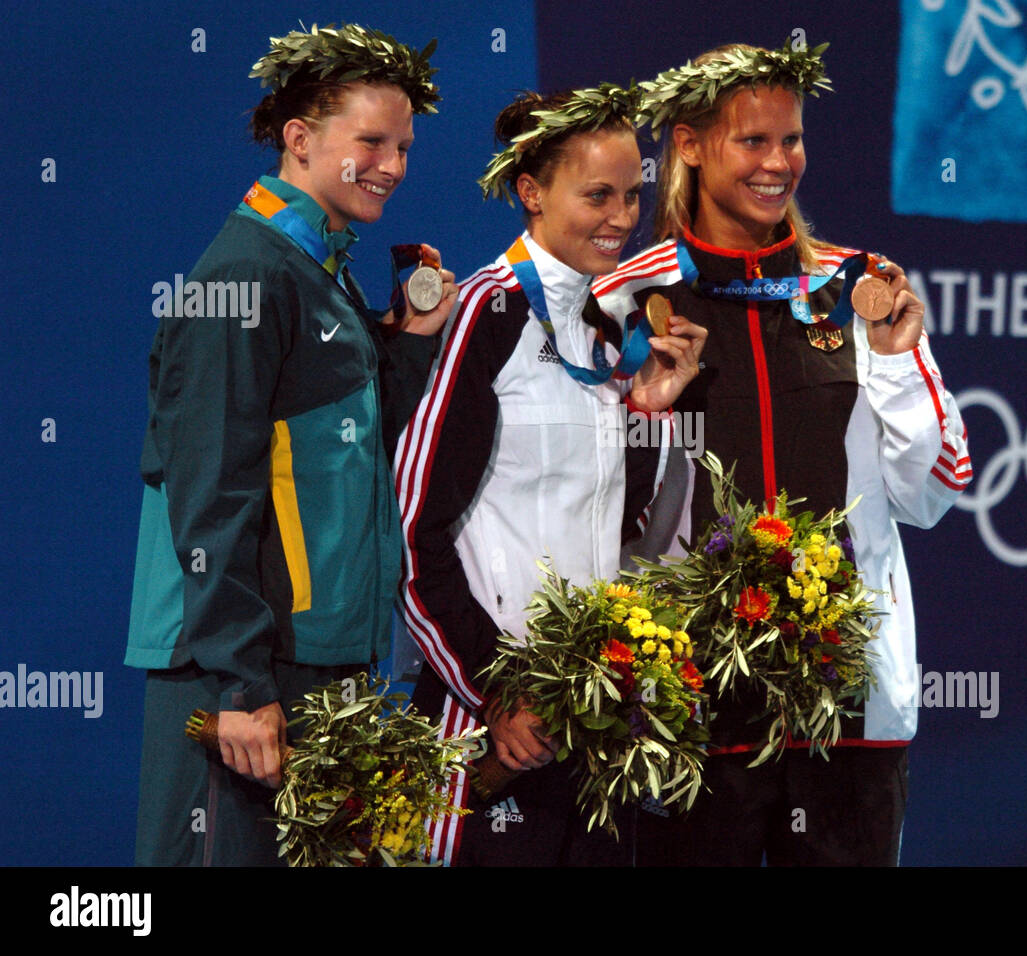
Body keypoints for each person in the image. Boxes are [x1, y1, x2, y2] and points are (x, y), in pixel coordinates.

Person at [594, 42, 972, 866]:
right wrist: (644, 408)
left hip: (852, 705)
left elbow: (933, 490)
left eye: (791, 140)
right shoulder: (626, 301)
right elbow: (595, 512)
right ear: (688, 145)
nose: (778, 164)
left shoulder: (855, 287)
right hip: (691, 708)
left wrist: (902, 359)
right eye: (753, 142)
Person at [125, 24, 459, 866]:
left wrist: (410, 343)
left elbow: (342, 450)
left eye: (405, 146)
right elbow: (210, 488)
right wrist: (239, 684)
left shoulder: (315, 267)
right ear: (301, 141)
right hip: (240, 673)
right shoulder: (247, 276)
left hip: (312, 661)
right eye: (371, 142)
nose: (393, 164)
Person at [395, 86, 706, 866]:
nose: (621, 216)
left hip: (590, 716)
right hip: (489, 720)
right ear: (530, 192)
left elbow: (623, 527)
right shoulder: (484, 314)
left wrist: (654, 414)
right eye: (596, 195)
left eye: (633, 193)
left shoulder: (613, 331)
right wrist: (494, 689)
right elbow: (408, 528)